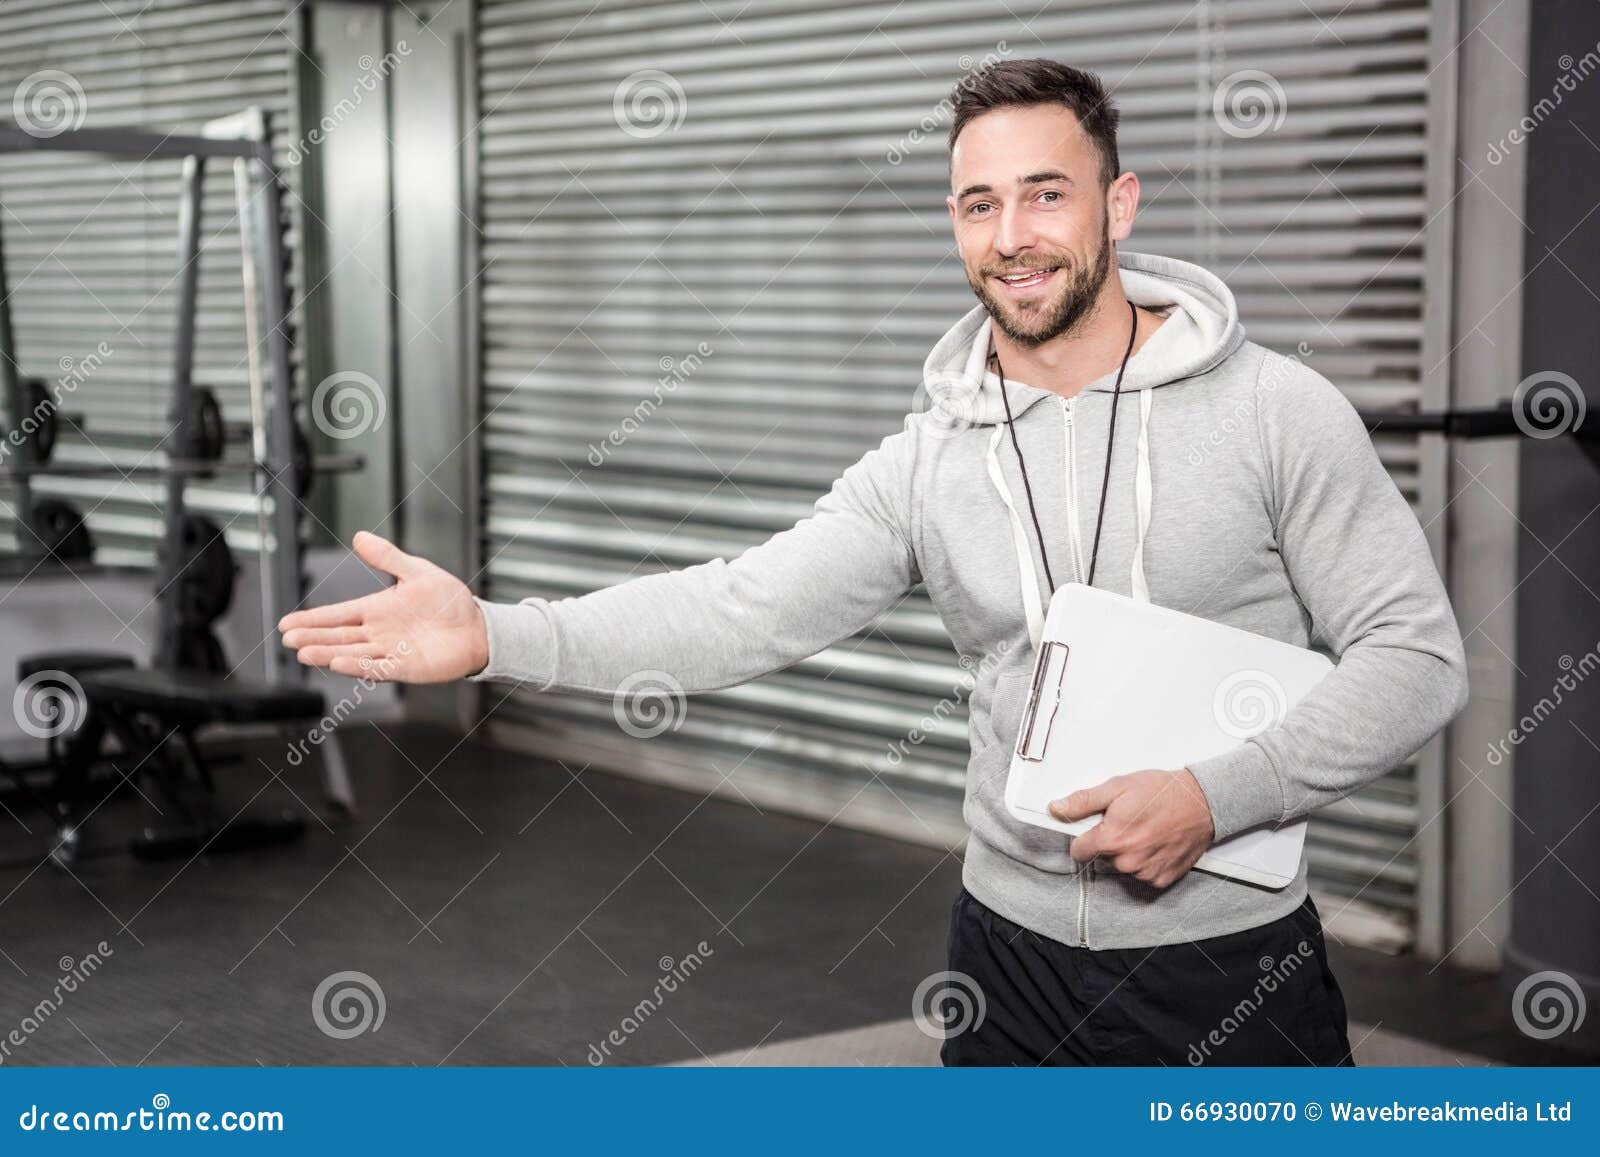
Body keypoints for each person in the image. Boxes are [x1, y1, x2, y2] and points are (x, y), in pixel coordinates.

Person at [279, 59, 1469, 1066]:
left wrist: (1218, 794)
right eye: (976, 204)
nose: (1011, 238)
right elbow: (745, 606)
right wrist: (499, 631)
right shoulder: (930, 455)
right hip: (1007, 959)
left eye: (1046, 195)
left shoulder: (1276, 412)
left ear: (1118, 205)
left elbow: (1416, 660)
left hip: (1230, 966)